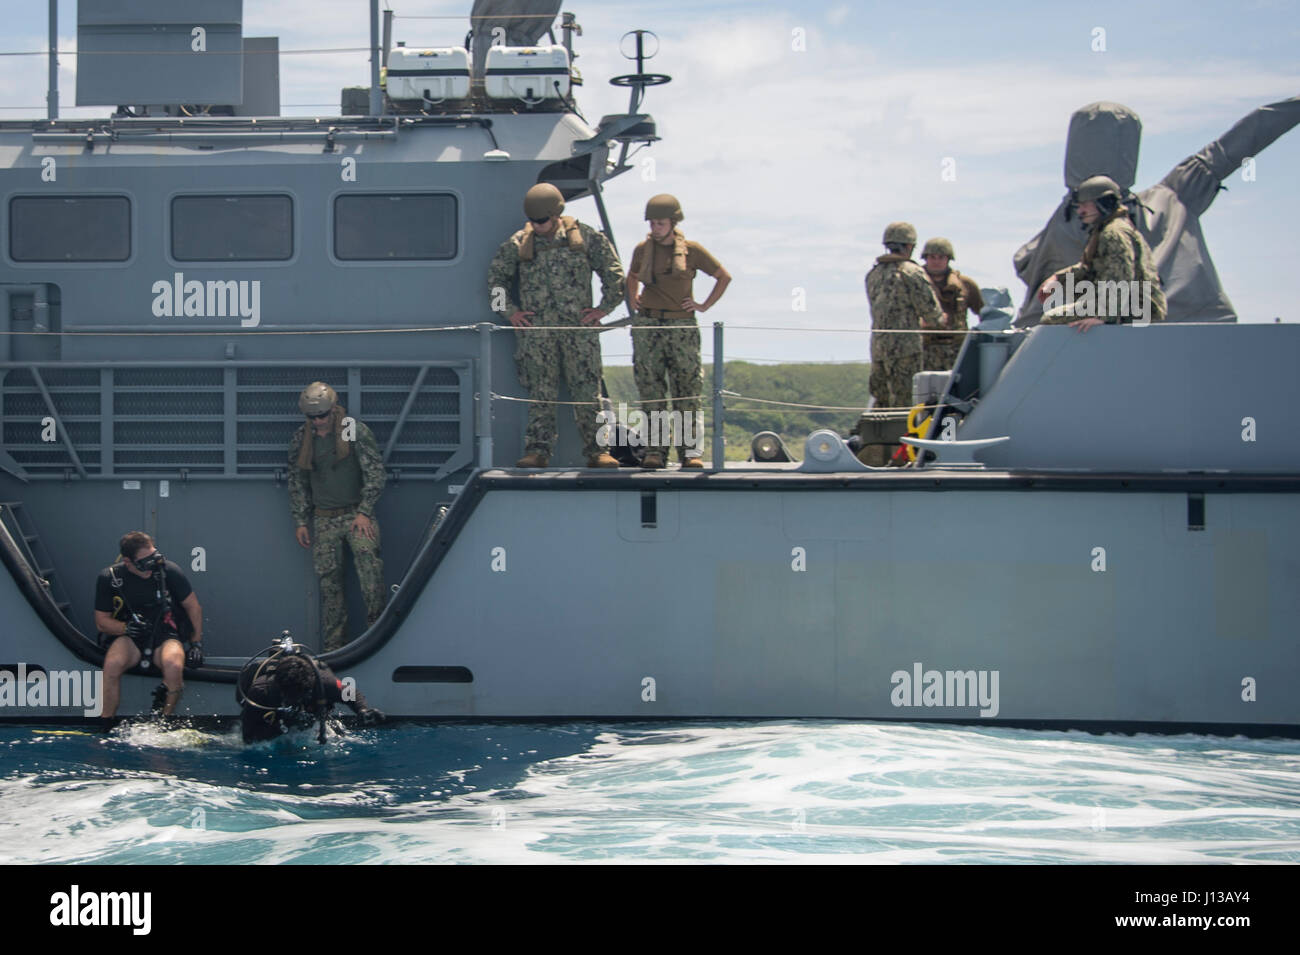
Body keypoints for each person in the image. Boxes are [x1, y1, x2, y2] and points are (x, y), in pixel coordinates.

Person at [486, 183, 626, 468]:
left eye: (542, 220)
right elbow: (495, 281)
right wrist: (510, 313)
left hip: (578, 333)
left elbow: (614, 273)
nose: (537, 226)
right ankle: (537, 451)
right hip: (538, 337)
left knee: (588, 392)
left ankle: (598, 451)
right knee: (541, 394)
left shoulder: (584, 237)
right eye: (533, 221)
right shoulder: (519, 243)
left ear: (556, 213)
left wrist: (603, 309)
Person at [626, 194, 731, 469]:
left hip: (681, 324)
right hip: (648, 324)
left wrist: (703, 305)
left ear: (673, 222)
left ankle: (690, 452)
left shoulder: (692, 250)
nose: (655, 228)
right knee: (651, 389)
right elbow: (632, 276)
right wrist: (633, 298)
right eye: (651, 223)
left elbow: (723, 276)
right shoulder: (642, 249)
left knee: (687, 389)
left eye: (660, 223)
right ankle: (655, 451)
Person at [288, 381, 387, 652]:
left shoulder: (352, 431)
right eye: (312, 417)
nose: (317, 422)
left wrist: (365, 511)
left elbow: (376, 473)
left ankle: (378, 640)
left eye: (322, 415)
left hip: (356, 515)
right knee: (330, 587)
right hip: (323, 519)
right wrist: (300, 520)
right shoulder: (302, 438)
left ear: (333, 410)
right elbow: (297, 481)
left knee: (371, 578)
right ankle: (335, 649)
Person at [94, 531, 204, 719]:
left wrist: (196, 643)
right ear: (128, 562)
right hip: (131, 636)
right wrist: (125, 628)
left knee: (173, 665)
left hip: (165, 633)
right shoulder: (109, 578)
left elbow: (193, 606)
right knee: (112, 665)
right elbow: (101, 622)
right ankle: (106, 721)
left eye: (154, 559)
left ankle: (164, 720)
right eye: (145, 563)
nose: (151, 567)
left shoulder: (169, 571)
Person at [1038, 175, 1167, 331]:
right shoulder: (1107, 230)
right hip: (1126, 304)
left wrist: (1103, 317)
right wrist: (1058, 278)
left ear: (1103, 203)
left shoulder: (1113, 233)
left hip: (1135, 308)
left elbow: (1121, 277)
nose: (1080, 211)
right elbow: (1088, 268)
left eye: (1084, 205)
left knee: (1051, 319)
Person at [236, 638, 384, 744]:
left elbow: (350, 692)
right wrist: (278, 732)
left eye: (300, 696)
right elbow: (248, 737)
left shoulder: (325, 683)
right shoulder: (261, 691)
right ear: (279, 686)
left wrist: (363, 710)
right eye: (291, 697)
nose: (295, 701)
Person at [865, 222, 943, 412]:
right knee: (906, 404)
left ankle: (880, 440)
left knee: (881, 403)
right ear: (909, 247)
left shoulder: (873, 274)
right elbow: (932, 313)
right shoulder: (912, 272)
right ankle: (904, 440)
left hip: (878, 349)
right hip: (906, 350)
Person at [919, 237, 984, 370]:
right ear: (926, 258)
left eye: (941, 257)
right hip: (923, 351)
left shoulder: (965, 285)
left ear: (948, 259)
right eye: (932, 257)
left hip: (956, 351)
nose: (936, 261)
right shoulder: (915, 283)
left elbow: (984, 312)